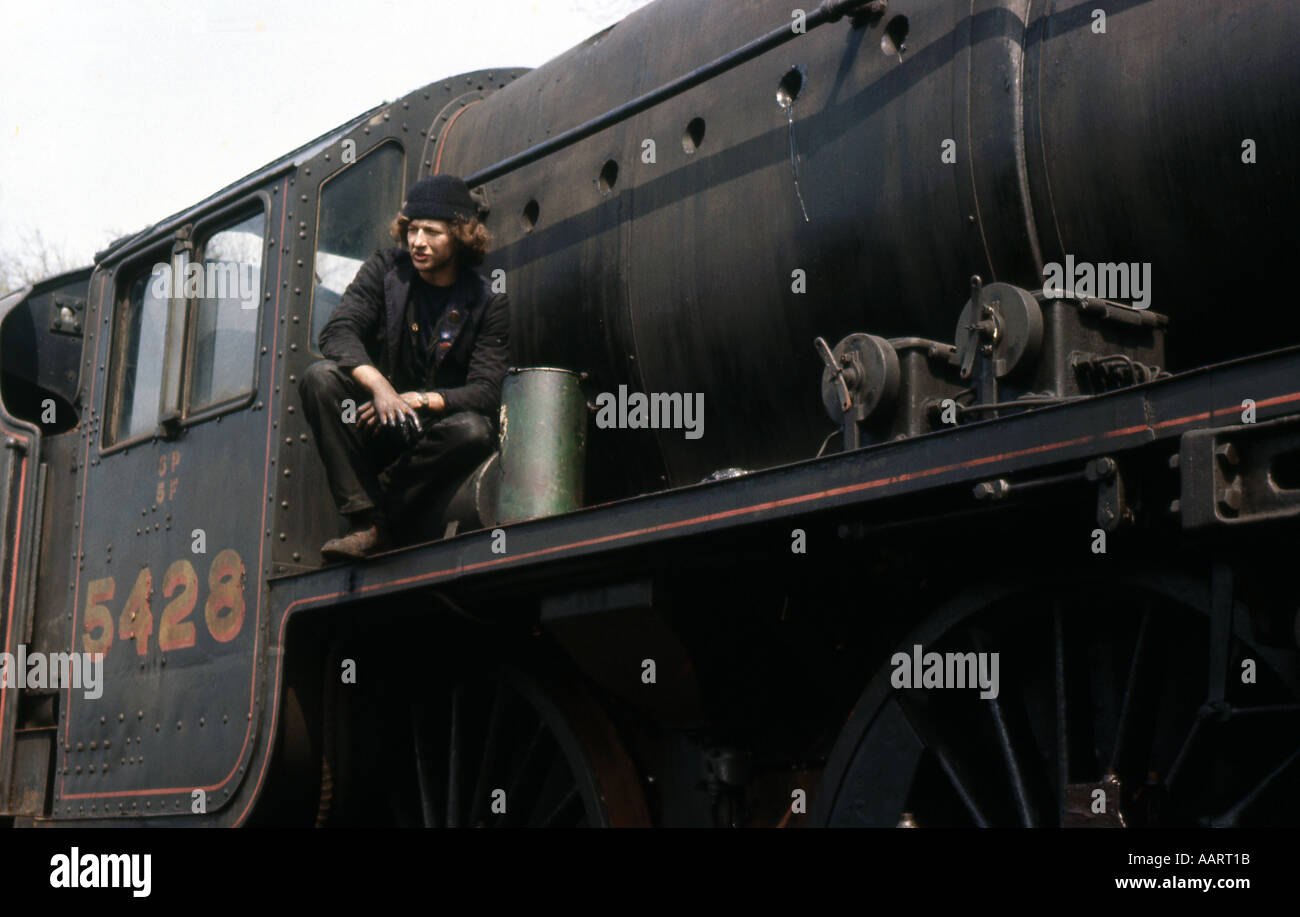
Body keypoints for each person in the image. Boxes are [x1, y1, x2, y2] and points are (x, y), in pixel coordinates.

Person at [299, 174, 509, 560]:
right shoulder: (385, 270)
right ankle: (366, 521)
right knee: (321, 379)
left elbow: (487, 391)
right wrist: (381, 389)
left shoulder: (487, 300)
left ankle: (385, 508)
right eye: (412, 230)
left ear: (460, 236)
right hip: (374, 422)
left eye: (432, 232)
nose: (418, 242)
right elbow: (338, 331)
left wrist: (419, 400)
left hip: (432, 433)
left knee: (474, 431)